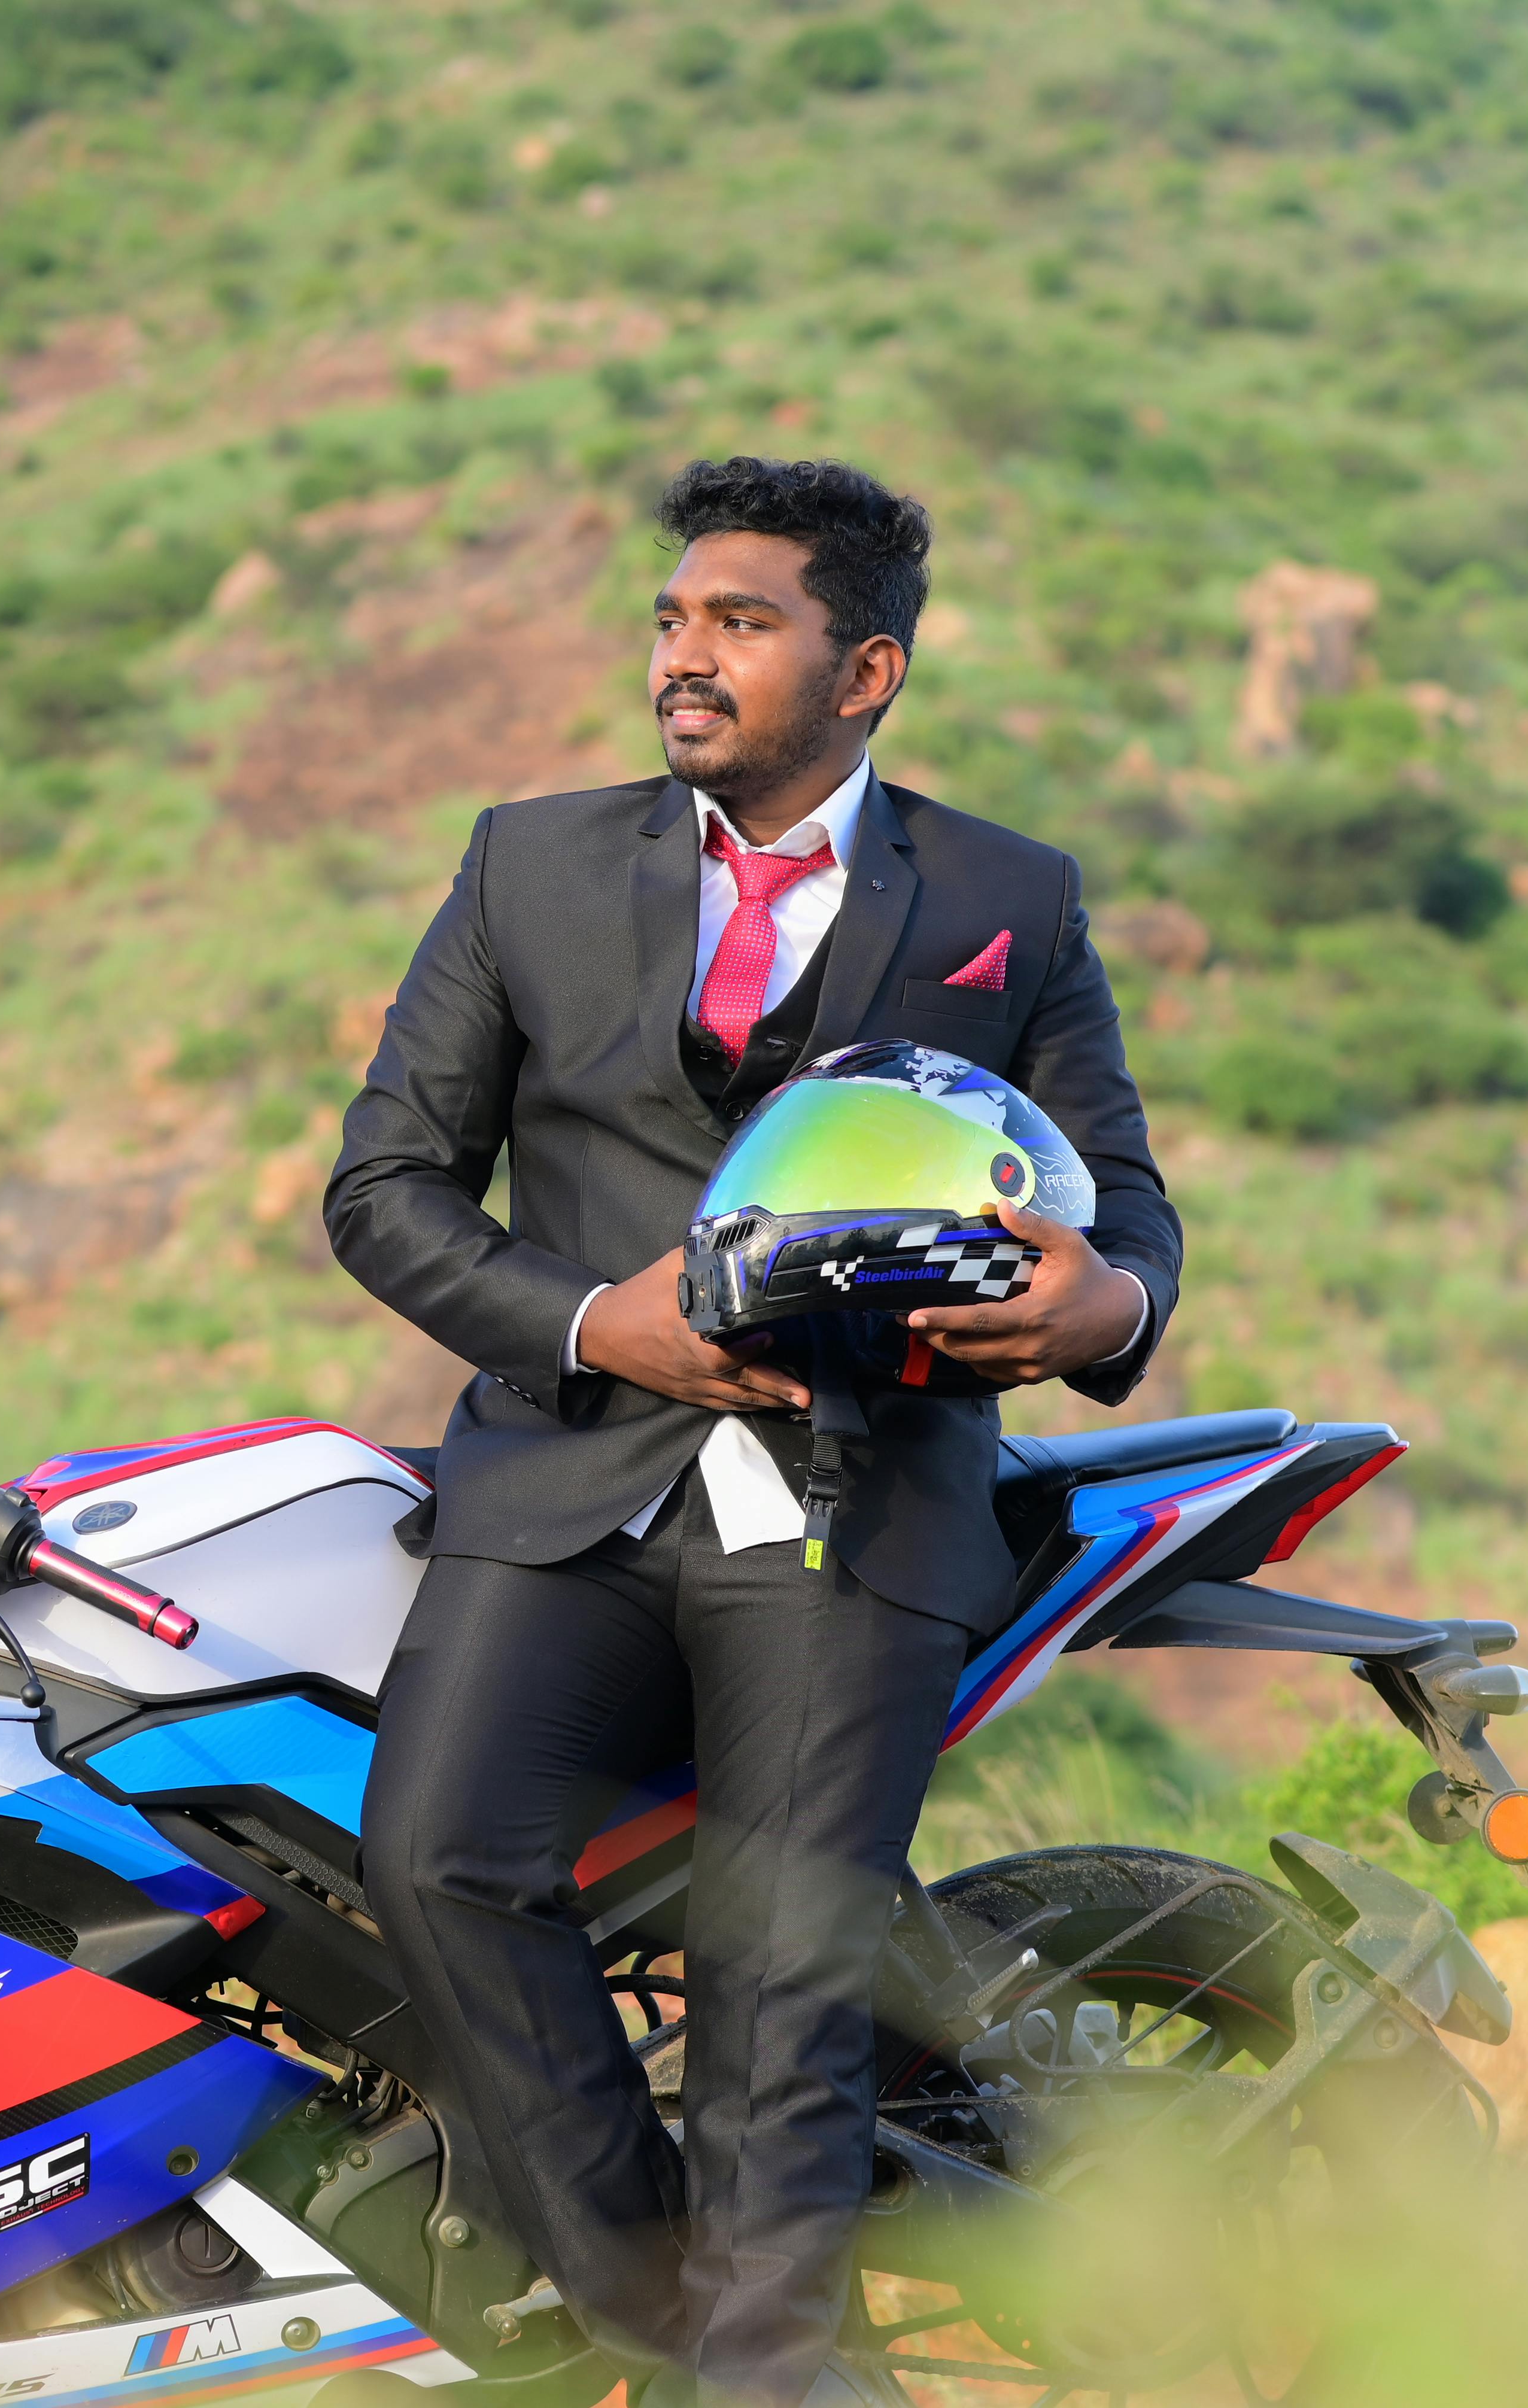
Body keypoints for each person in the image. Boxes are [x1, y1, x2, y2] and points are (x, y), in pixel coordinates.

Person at [324, 457, 1183, 2408]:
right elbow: (386, 1189)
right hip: (565, 1482)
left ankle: (773, 2376)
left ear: (865, 670)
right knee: (443, 1861)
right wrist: (587, 1316)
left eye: (741, 622)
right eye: (671, 619)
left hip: (863, 1496)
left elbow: (1123, 1213)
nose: (683, 657)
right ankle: (692, 2338)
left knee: (781, 1966)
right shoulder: (525, 863)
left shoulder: (1004, 900)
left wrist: (1103, 1306)